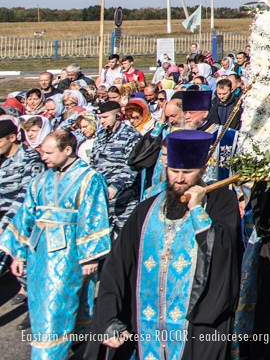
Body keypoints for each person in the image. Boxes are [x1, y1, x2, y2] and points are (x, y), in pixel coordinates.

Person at [92, 130, 242, 360]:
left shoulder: (221, 202)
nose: (180, 179)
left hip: (196, 327)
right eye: (174, 171)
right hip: (147, 325)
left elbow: (225, 253)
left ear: (203, 170)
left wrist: (197, 211)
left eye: (188, 172)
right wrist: (108, 316)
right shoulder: (146, 209)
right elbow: (117, 264)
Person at [0, 130, 110, 360]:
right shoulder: (41, 179)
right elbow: (25, 215)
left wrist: (89, 256)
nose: (43, 158)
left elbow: (93, 216)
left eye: (49, 153)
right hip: (39, 255)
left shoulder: (89, 178)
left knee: (57, 308)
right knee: (41, 307)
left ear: (67, 150)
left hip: (69, 256)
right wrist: (19, 255)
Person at [90, 99, 142, 230]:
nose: (101, 121)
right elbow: (93, 163)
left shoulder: (131, 135)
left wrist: (116, 186)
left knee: (127, 242)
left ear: (118, 115)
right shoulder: (100, 137)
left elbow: (133, 165)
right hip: (103, 200)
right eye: (100, 118)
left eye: (105, 117)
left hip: (124, 201)